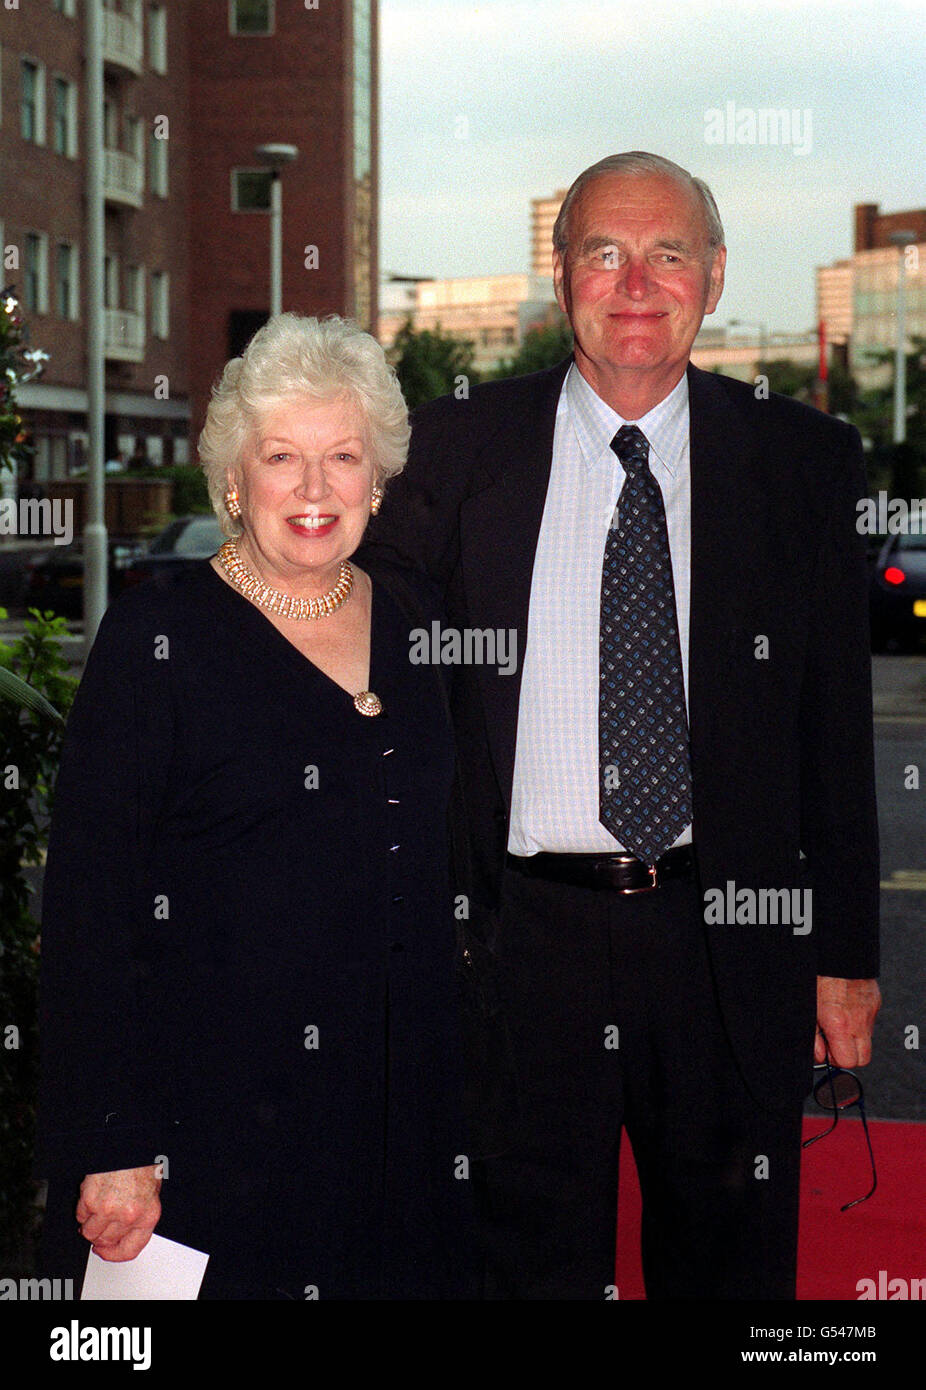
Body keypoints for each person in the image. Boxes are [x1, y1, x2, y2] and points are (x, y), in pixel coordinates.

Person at [363, 152, 881, 1300]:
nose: (635, 281)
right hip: (513, 950)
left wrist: (844, 957)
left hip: (724, 938)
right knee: (518, 1268)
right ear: (561, 280)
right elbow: (361, 637)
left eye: (666, 253)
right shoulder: (455, 447)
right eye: (603, 252)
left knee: (730, 1266)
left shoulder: (800, 461)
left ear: (713, 272)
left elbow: (833, 735)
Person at [36, 313, 475, 1300]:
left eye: (341, 456)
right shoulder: (160, 635)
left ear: (377, 477)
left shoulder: (420, 624)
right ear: (236, 480)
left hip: (398, 1133)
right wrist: (112, 1140)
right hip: (208, 1135)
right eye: (282, 457)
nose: (314, 489)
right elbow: (90, 910)